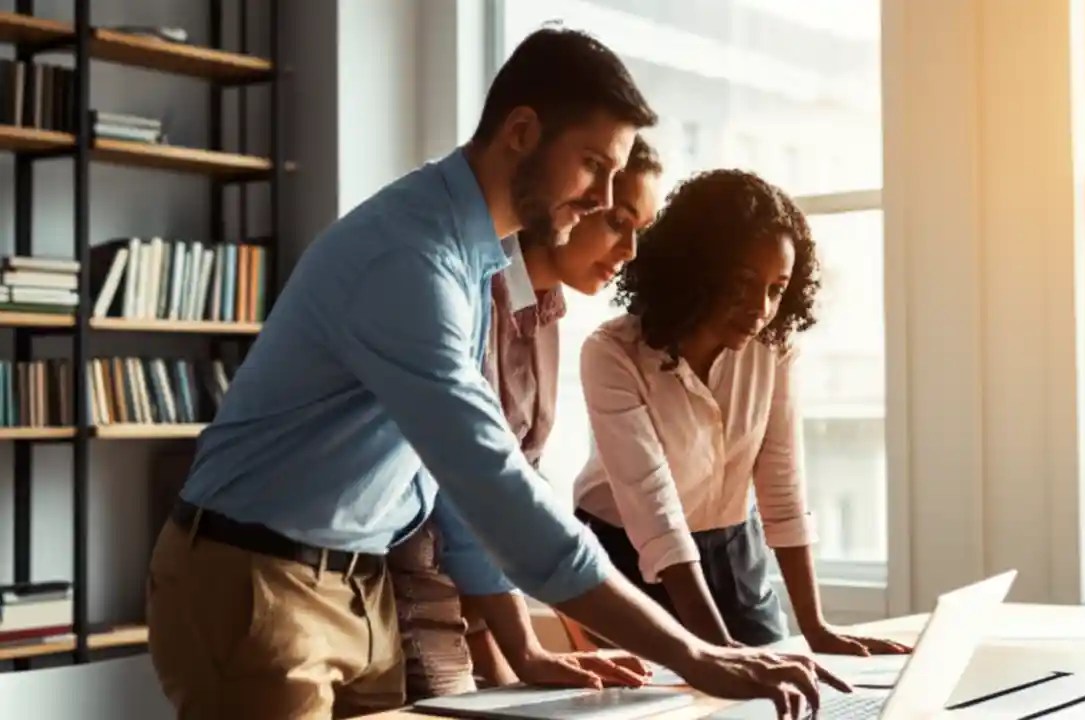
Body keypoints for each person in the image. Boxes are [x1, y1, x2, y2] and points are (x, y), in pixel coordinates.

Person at [146, 26, 845, 720]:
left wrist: (526, 648)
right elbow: (496, 485)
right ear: (520, 131)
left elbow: (452, 483)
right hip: (258, 578)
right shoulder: (411, 260)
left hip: (358, 587)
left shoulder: (472, 258)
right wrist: (697, 655)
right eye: (594, 166)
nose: (604, 198)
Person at [573, 169, 914, 654]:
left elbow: (781, 486)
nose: (761, 307)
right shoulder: (612, 353)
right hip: (626, 549)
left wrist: (815, 630)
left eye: (777, 288)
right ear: (698, 269)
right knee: (680, 694)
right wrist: (720, 654)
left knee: (775, 679)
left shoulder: (773, 350)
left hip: (733, 542)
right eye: (742, 284)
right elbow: (656, 515)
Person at [388, 136, 664, 699]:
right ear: (576, 204)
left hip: (481, 597)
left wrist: (573, 625)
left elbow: (527, 484)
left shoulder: (547, 311)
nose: (631, 249)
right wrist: (518, 653)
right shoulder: (473, 295)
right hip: (418, 586)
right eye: (617, 221)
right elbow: (471, 491)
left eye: (643, 230)